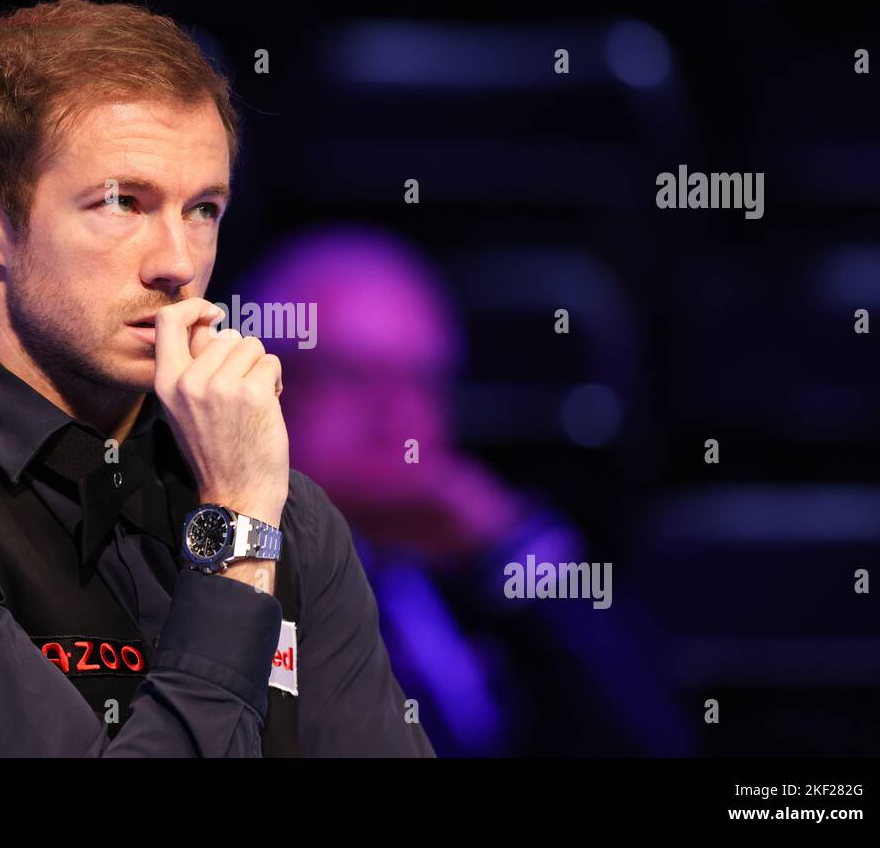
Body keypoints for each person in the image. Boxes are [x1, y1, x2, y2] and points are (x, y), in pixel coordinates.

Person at [0, 0, 435, 757]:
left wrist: (253, 510)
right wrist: (239, 532)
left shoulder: (294, 516)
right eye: (124, 202)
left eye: (203, 209)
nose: (178, 263)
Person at [244, 227, 693, 756]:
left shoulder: (467, 583)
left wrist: (515, 547)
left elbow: (650, 740)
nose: (393, 410)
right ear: (260, 387)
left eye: (421, 379)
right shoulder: (219, 578)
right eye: (351, 374)